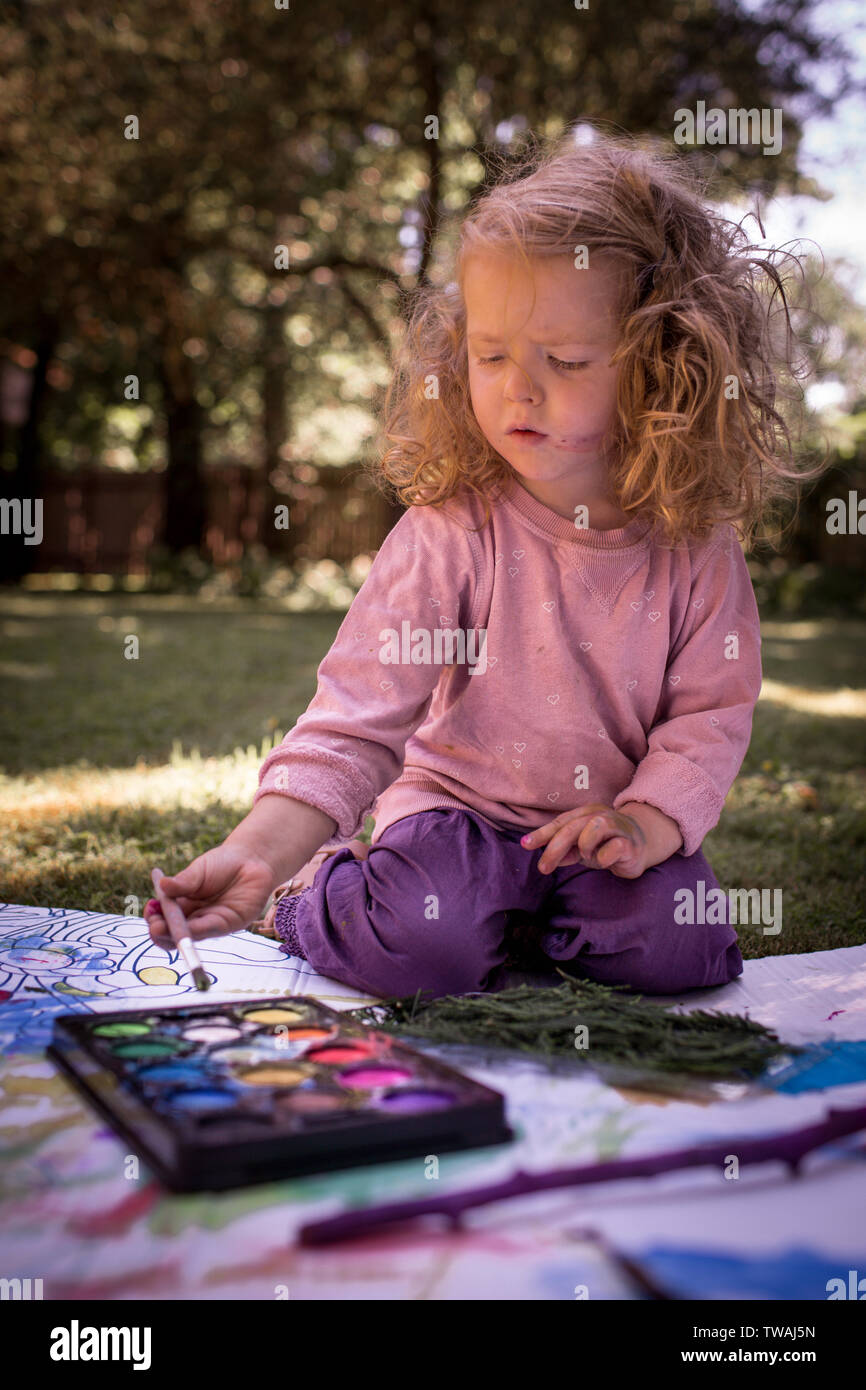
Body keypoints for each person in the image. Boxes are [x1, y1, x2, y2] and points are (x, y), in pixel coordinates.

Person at [146, 128, 819, 1001]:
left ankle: (532, 922)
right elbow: (356, 723)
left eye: (567, 361)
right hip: (453, 821)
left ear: (665, 368)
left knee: (676, 952)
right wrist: (256, 851)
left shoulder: (697, 545)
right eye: (491, 354)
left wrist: (648, 823)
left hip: (597, 832)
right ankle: (315, 891)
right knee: (429, 946)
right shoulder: (454, 530)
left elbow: (709, 718)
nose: (518, 389)